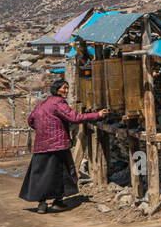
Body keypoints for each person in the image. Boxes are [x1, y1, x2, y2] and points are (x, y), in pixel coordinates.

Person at [19, 79, 107, 214]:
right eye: (64, 88)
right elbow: (75, 117)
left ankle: (42, 204)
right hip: (58, 145)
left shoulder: (40, 104)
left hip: (41, 146)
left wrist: (43, 130)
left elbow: (31, 120)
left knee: (42, 175)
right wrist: (97, 115)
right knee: (60, 174)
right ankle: (58, 202)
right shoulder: (58, 103)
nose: (66, 91)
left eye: (67, 88)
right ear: (56, 89)